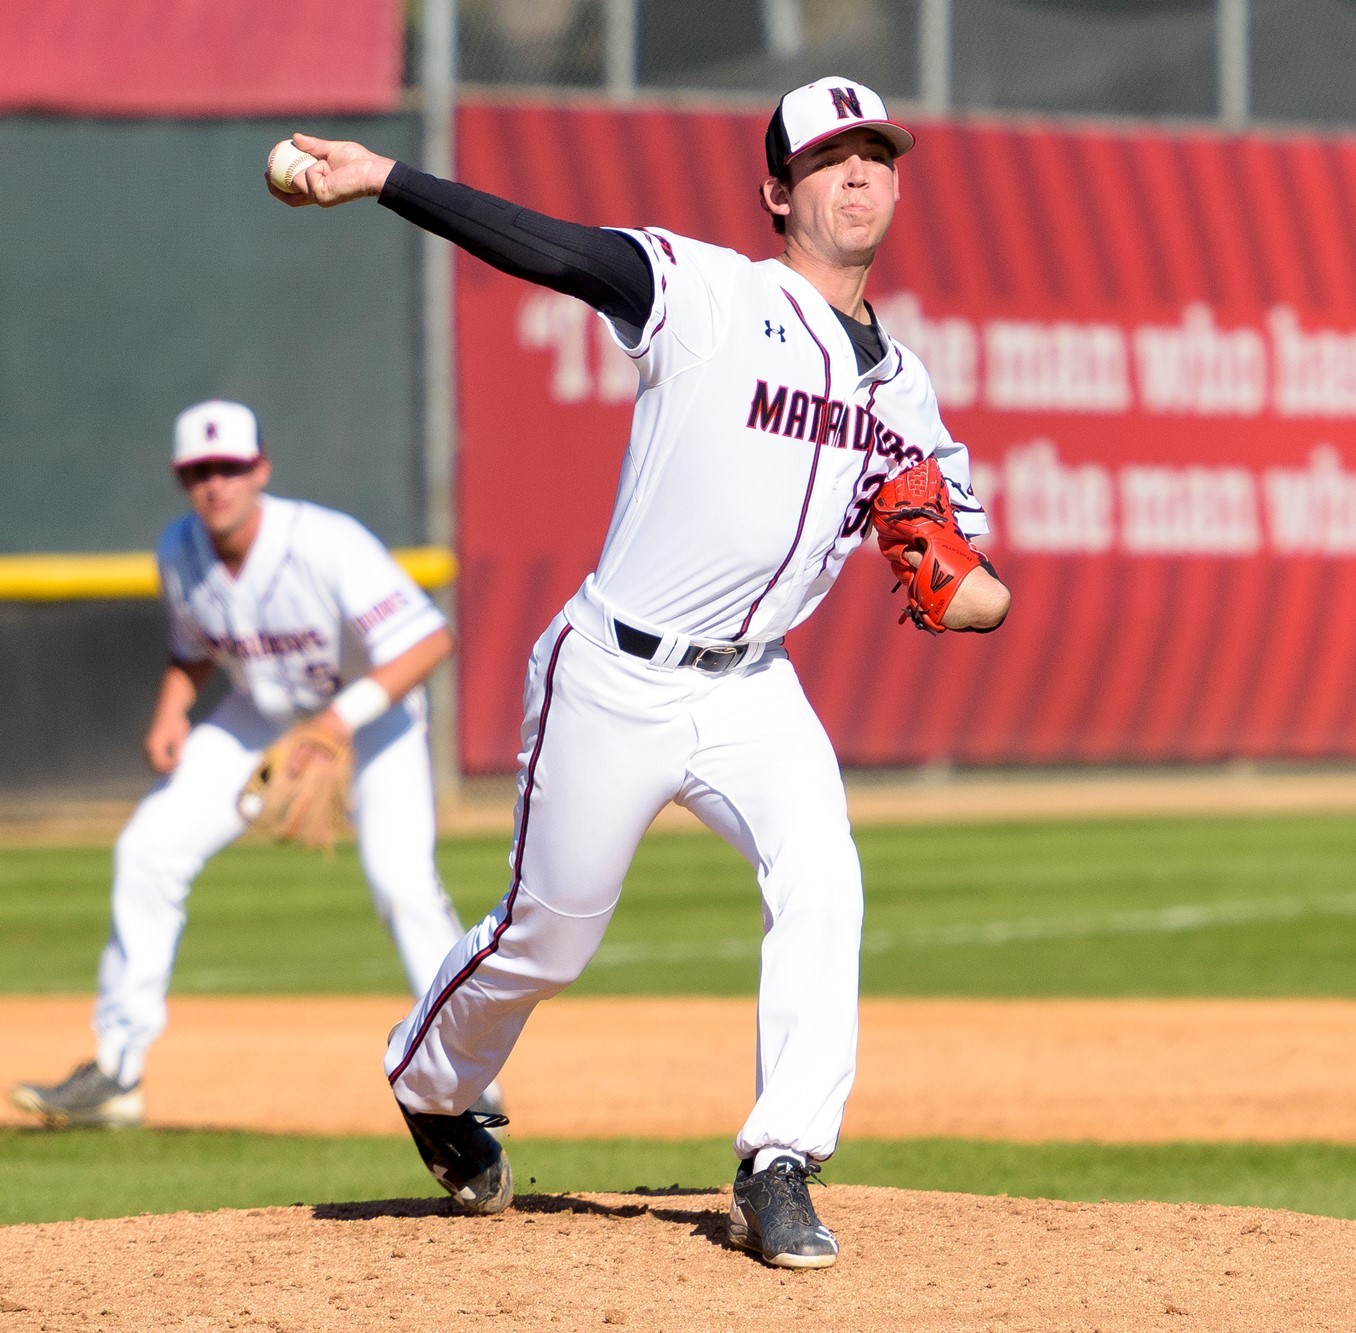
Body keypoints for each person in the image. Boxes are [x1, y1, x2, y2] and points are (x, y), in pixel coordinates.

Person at [268, 76, 1009, 1266]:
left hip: (751, 686)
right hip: (614, 669)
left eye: (876, 154)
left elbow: (970, 587)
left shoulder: (904, 392)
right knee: (545, 941)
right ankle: (433, 1080)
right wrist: (387, 179)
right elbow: (551, 251)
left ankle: (781, 1161)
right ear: (779, 191)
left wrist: (971, 590)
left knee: (823, 873)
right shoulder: (712, 295)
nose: (858, 174)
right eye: (828, 159)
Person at [9, 400, 476, 1129]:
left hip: (369, 712)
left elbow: (427, 641)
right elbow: (194, 648)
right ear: (181, 479)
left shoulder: (326, 542)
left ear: (260, 468)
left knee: (400, 880)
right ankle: (117, 1072)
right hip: (259, 715)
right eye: (199, 471)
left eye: (229, 467)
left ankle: (466, 1079)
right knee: (147, 847)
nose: (215, 483)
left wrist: (335, 723)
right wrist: (171, 709)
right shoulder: (180, 550)